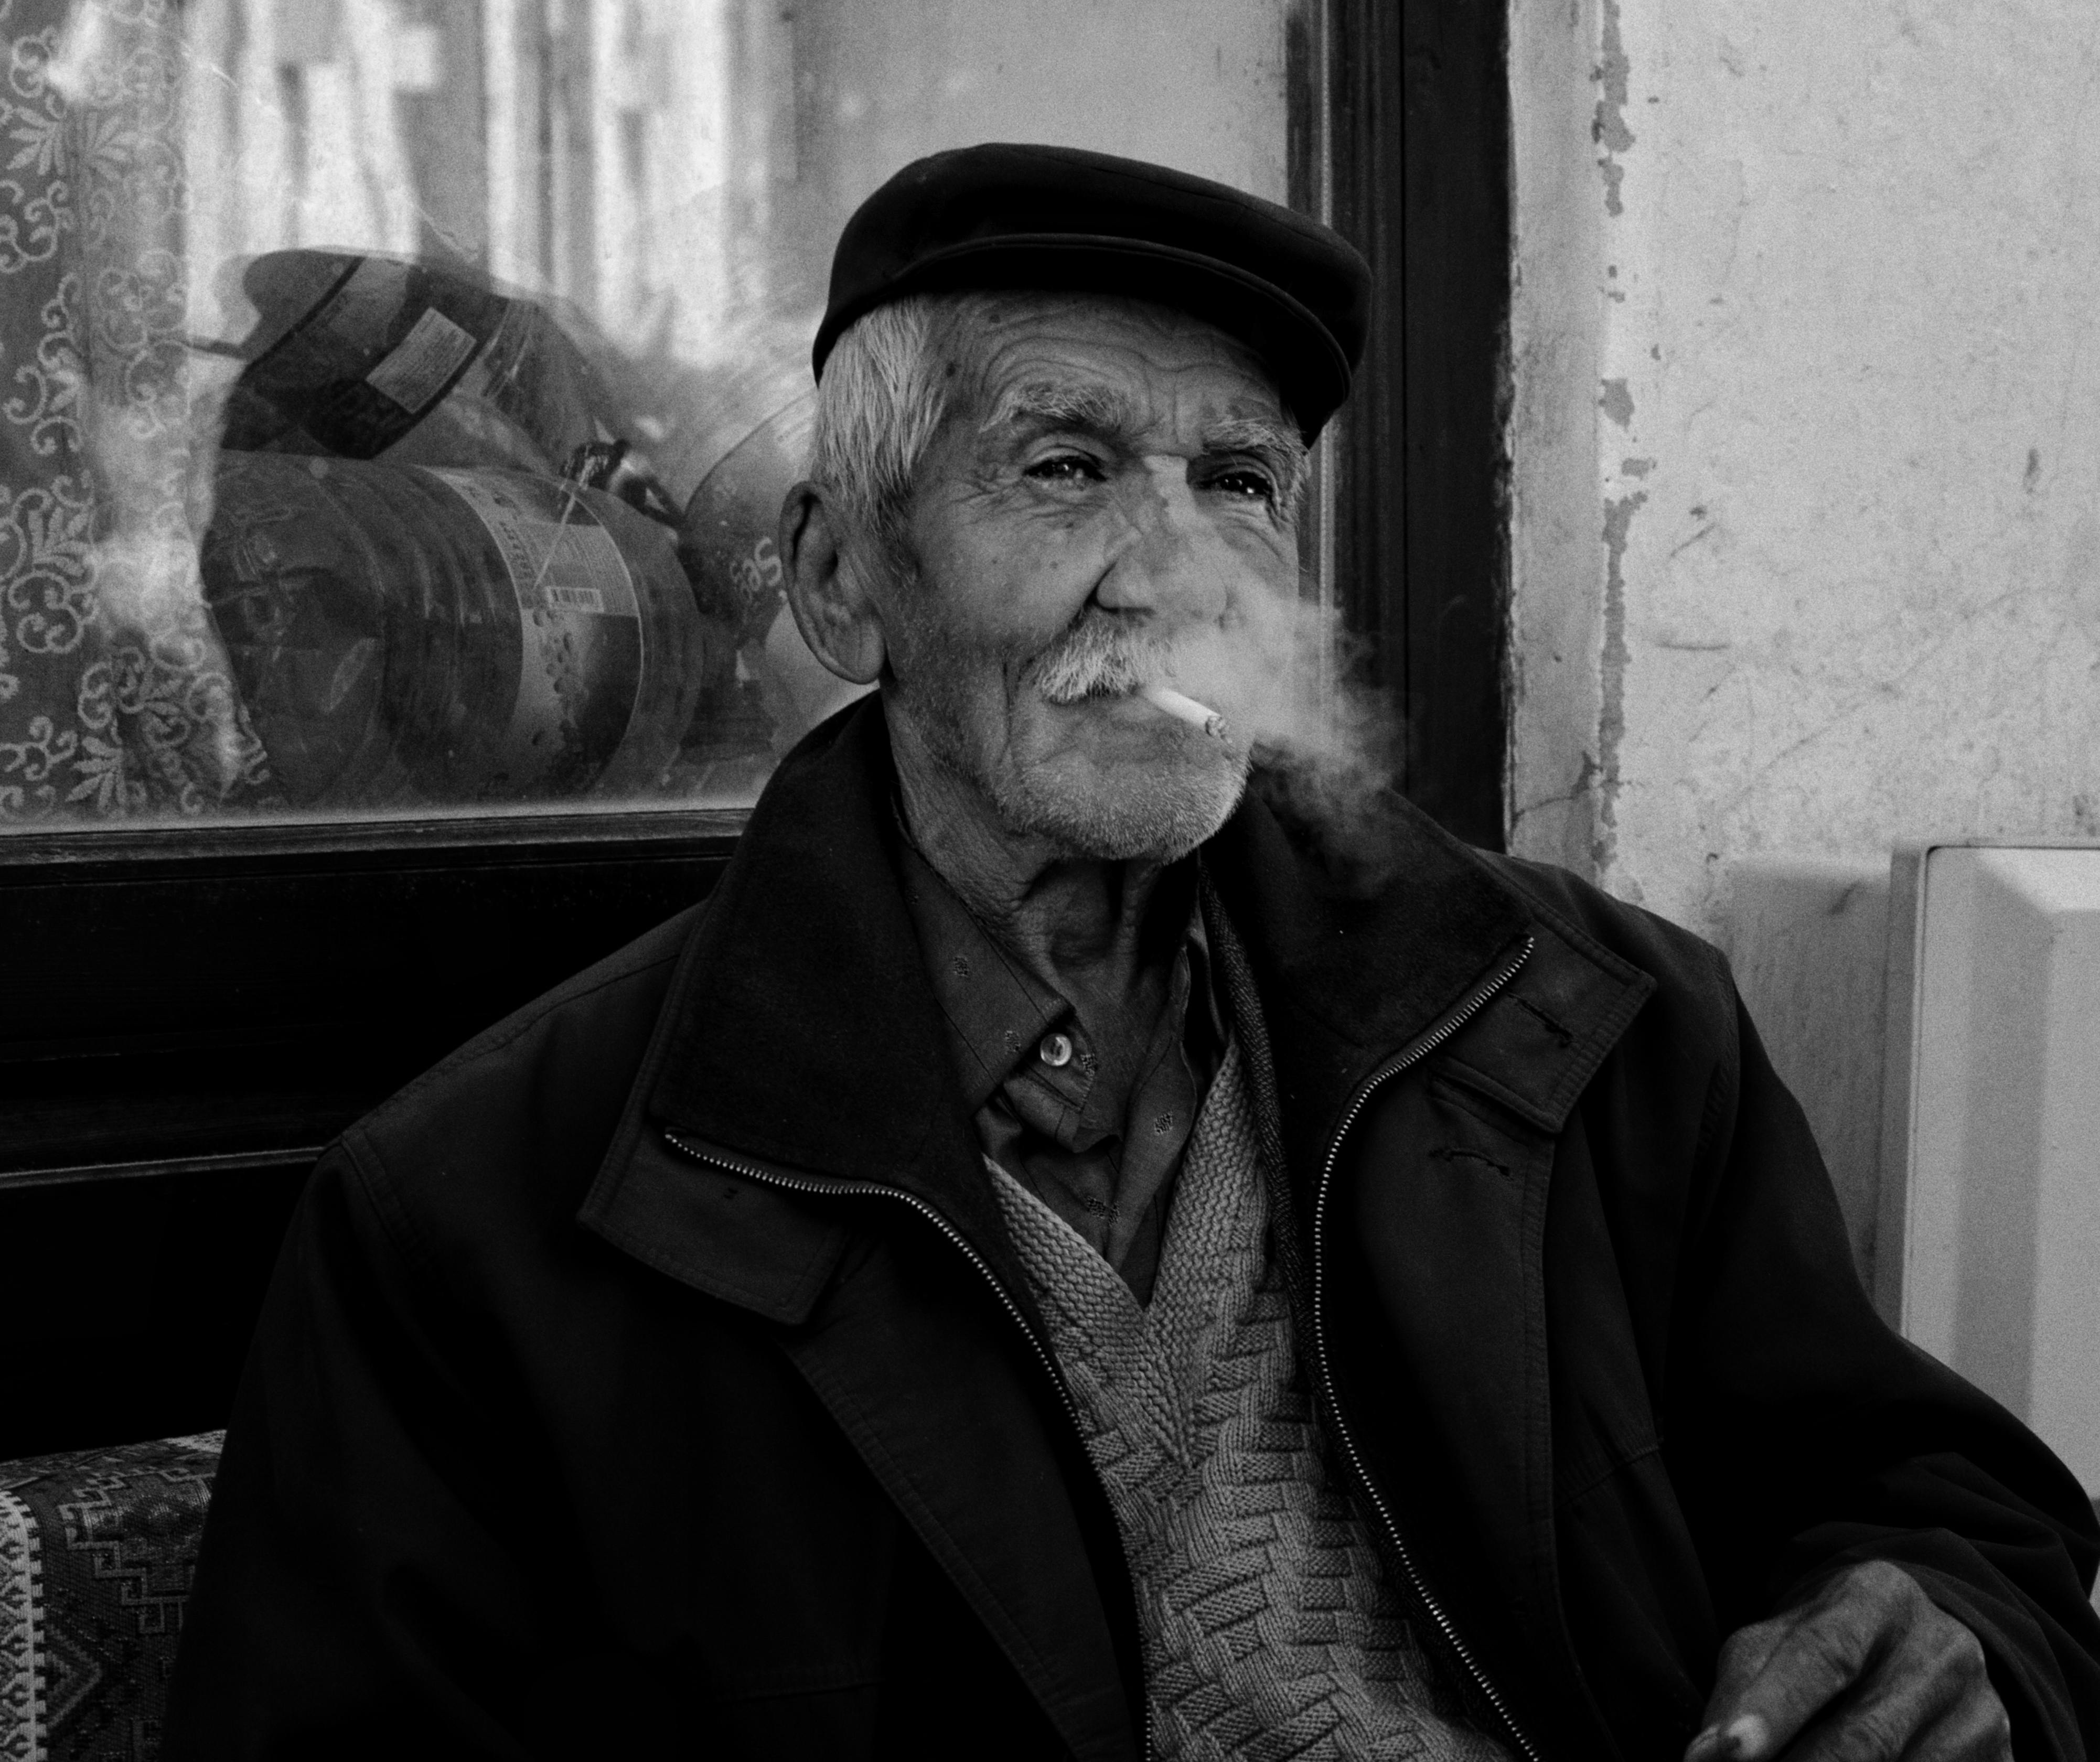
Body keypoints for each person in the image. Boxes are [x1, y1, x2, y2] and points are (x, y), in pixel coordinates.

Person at [168, 145, 2100, 1761]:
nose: (1177, 578)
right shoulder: (484, 1219)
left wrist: (1937, 1625)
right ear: (843, 578)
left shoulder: (1594, 1030)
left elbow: (1928, 1498)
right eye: (1069, 469)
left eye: (1238, 486)